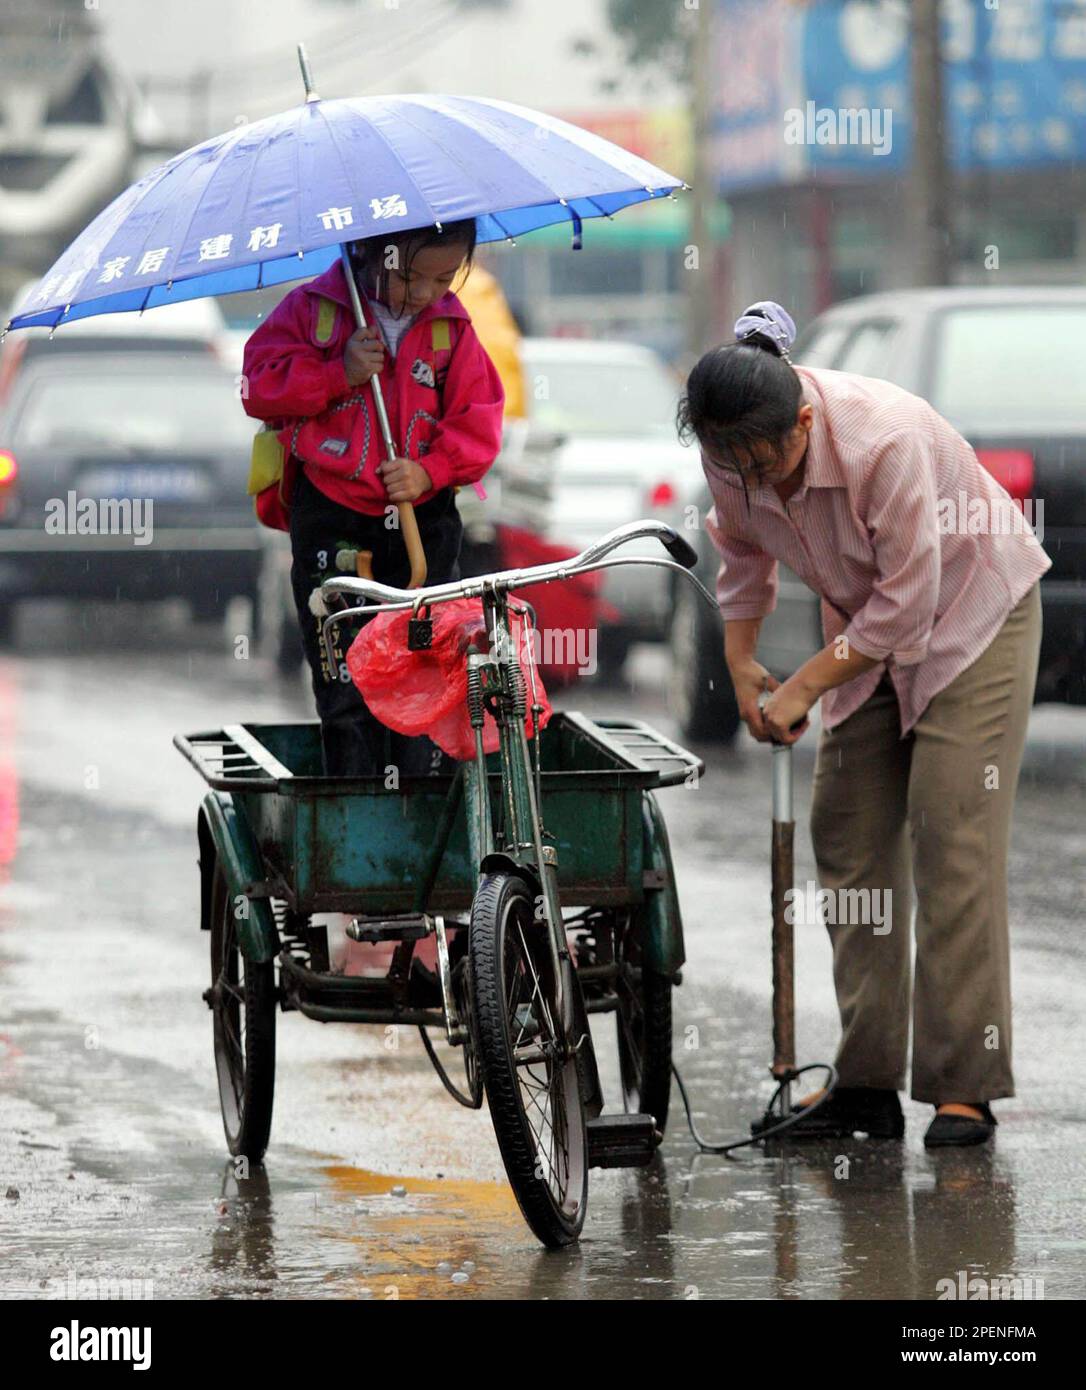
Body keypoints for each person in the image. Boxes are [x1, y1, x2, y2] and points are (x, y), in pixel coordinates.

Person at [678, 301, 1051, 1148]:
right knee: (848, 832)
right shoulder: (730, 451)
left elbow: (911, 606)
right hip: (863, 626)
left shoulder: (884, 440)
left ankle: (963, 1089)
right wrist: (741, 665)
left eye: (769, 460)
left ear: (804, 420)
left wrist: (804, 685)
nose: (755, 479)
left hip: (973, 618)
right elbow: (741, 557)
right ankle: (866, 1085)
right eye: (732, 462)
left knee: (951, 830)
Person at [242, 219, 505, 776]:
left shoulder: (452, 331)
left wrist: (429, 470)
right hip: (330, 519)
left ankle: (425, 816)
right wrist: (336, 372)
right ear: (367, 252)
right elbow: (258, 386)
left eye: (443, 278)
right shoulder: (311, 311)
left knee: (427, 679)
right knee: (344, 683)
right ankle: (357, 818)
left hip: (422, 526)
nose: (427, 294)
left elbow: (479, 422)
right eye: (412, 278)